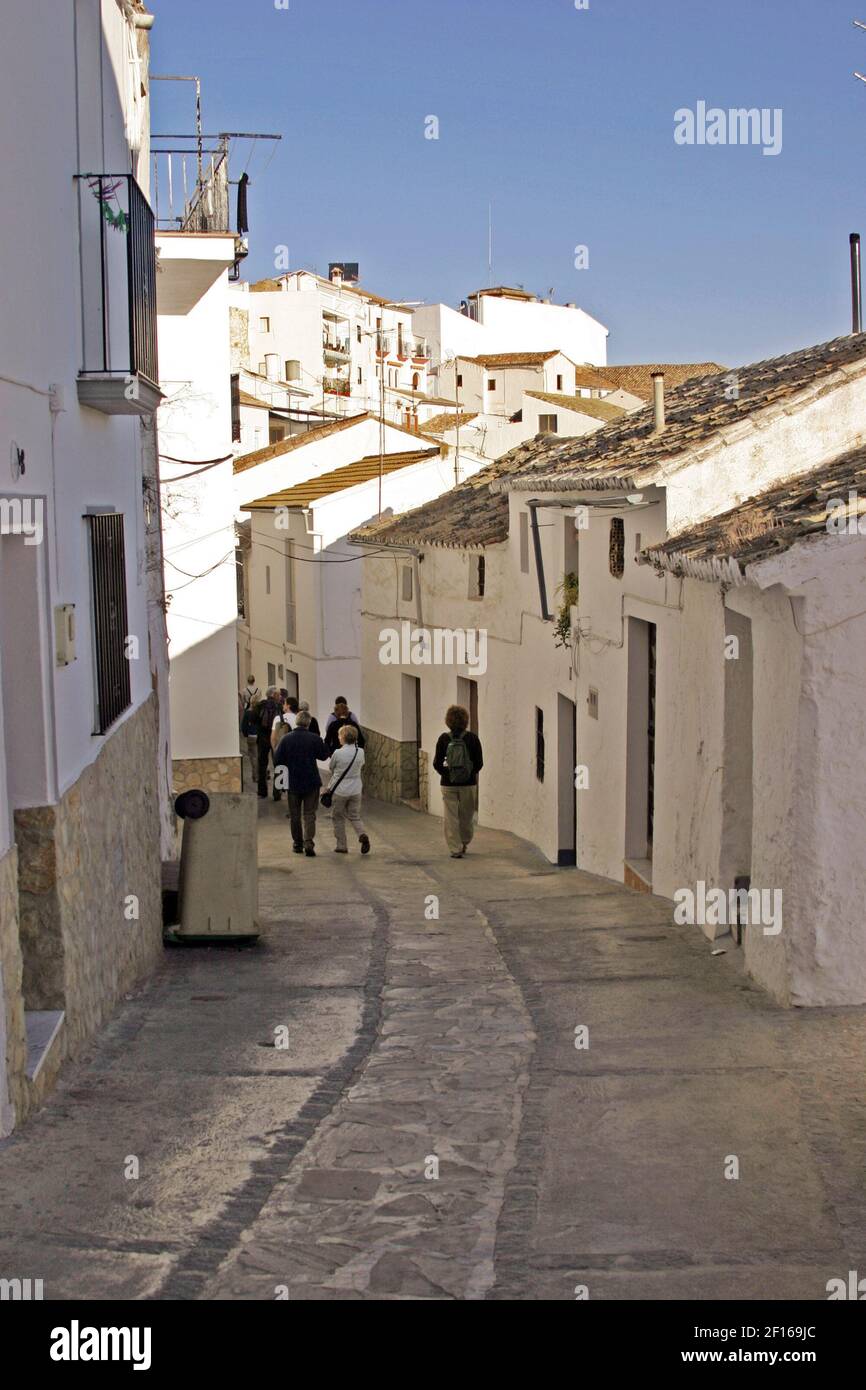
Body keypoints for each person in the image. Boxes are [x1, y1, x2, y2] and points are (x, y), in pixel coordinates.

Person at [274, 711, 329, 856]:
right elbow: (324, 756)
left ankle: (297, 844)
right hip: (311, 781)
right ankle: (308, 842)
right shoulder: (314, 738)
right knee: (310, 814)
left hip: (292, 782)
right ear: (309, 723)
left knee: (295, 815)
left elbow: (277, 759)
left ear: (296, 722)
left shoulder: (286, 739)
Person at [433, 705, 483, 858]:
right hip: (468, 784)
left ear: (448, 721)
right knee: (467, 815)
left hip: (448, 784)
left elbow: (437, 763)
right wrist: (468, 774)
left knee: (451, 816)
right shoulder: (472, 738)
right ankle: (465, 841)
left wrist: (448, 775)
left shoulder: (443, 738)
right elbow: (479, 763)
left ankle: (455, 848)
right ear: (465, 720)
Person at [327, 724, 370, 856]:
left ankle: (342, 845)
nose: (338, 737)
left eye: (340, 735)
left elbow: (331, 768)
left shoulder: (338, 753)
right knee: (354, 816)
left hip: (340, 790)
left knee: (338, 817)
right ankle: (362, 834)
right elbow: (361, 765)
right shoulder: (360, 752)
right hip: (356, 788)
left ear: (344, 737)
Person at [255, 687, 283, 799]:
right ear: (274, 695)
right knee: (278, 764)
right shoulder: (279, 707)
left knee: (262, 765)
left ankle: (262, 792)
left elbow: (254, 719)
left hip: (262, 738)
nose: (280, 696)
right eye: (279, 694)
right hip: (275, 738)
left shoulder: (260, 705)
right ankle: (277, 793)